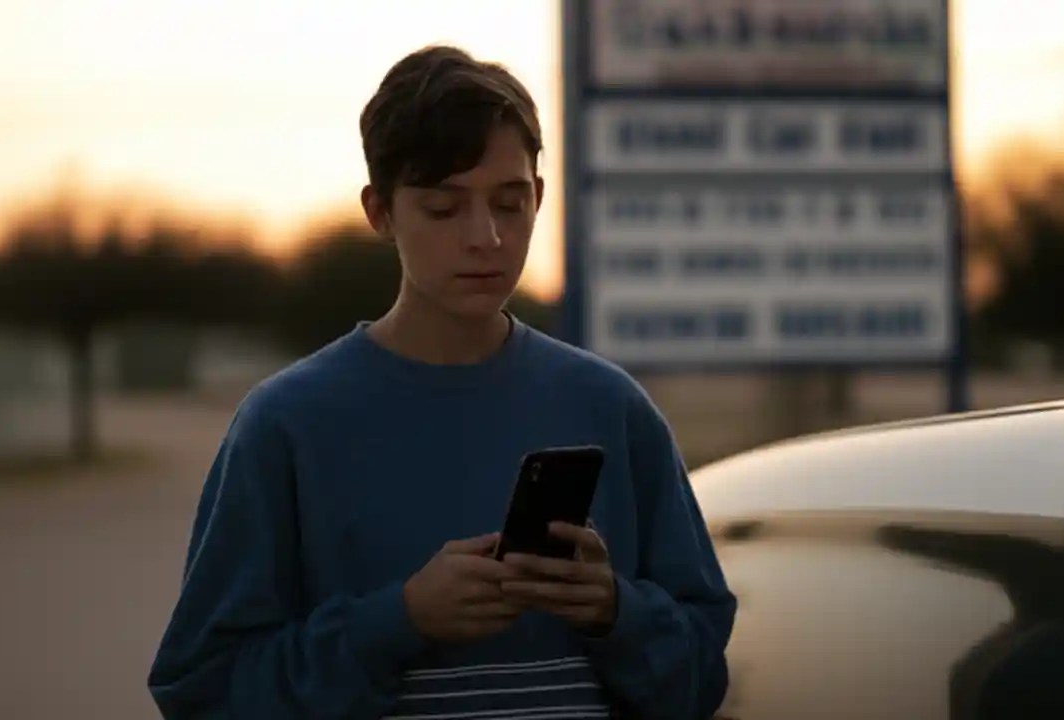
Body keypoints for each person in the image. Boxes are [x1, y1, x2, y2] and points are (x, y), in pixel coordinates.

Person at [147, 44, 737, 719]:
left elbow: (702, 678)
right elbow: (203, 692)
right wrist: (398, 621)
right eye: (444, 208)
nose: (485, 237)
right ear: (381, 212)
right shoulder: (287, 426)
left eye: (509, 203)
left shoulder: (611, 408)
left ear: (539, 198)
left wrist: (613, 611)